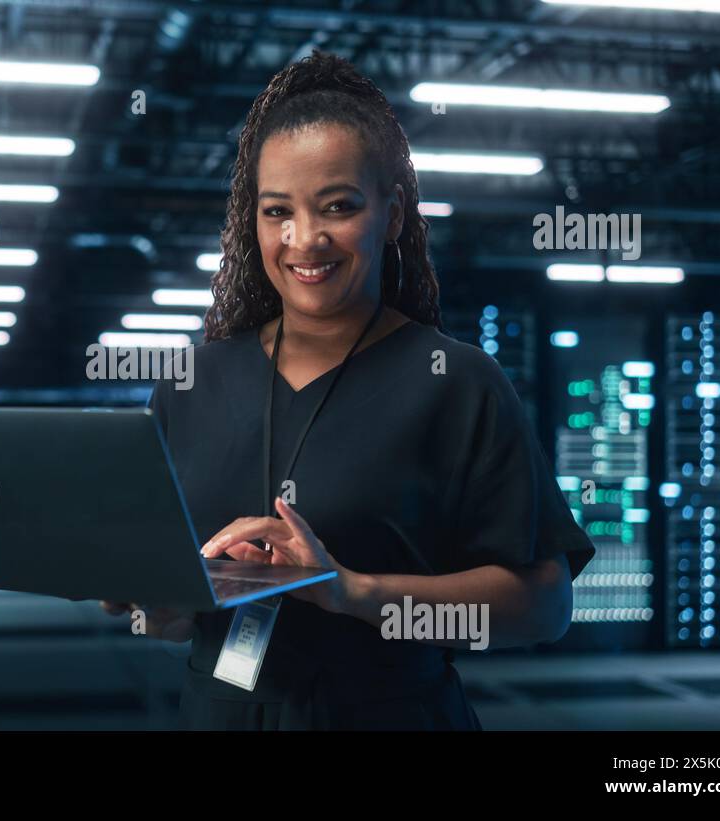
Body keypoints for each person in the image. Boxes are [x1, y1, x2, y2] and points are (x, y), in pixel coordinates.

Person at [102, 51, 595, 730]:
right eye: (278, 211)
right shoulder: (194, 383)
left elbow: (544, 608)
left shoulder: (455, 384)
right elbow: (173, 624)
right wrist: (147, 595)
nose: (303, 239)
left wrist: (351, 592)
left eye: (338, 206)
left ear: (392, 215)